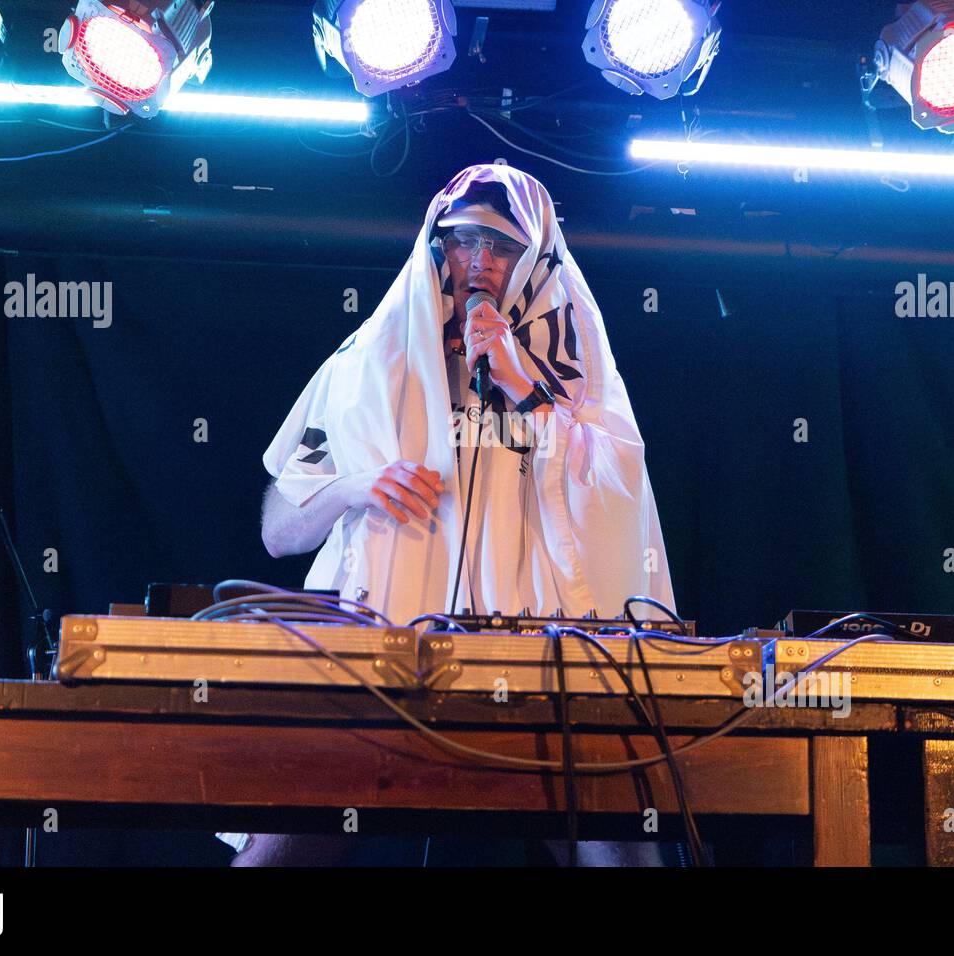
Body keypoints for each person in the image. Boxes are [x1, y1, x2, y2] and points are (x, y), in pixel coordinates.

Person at [222, 163, 675, 865]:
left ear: (535, 257)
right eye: (464, 240)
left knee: (618, 842)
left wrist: (524, 384)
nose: (480, 261)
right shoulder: (369, 364)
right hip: (379, 661)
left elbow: (621, 496)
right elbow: (278, 531)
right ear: (439, 246)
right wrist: (353, 488)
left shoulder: (573, 367)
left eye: (502, 246)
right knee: (286, 839)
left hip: (543, 667)